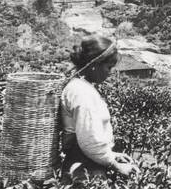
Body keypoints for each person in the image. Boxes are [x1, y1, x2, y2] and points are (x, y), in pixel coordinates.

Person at [58, 34, 137, 180]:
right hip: (84, 169)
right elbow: (90, 141)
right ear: (95, 65)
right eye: (108, 67)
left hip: (86, 162)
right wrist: (115, 164)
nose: (110, 72)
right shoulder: (81, 93)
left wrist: (112, 154)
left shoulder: (81, 87)